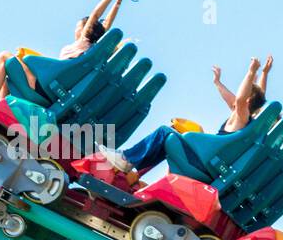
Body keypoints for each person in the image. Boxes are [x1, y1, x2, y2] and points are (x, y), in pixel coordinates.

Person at [98, 56, 272, 175]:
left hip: (201, 162)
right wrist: (262, 74)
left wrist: (251, 72)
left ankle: (127, 159)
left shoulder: (241, 115)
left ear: (247, 101)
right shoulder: (245, 121)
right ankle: (133, 168)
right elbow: (253, 98)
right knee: (171, 138)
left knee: (165, 132)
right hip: (207, 161)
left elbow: (241, 99)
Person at [0, 0, 131, 103]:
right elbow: (105, 26)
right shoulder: (91, 52)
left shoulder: (82, 43)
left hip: (41, 89)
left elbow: (95, 16)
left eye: (77, 27)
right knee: (11, 73)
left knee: (4, 57)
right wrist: (118, 2)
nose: (75, 30)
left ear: (86, 28)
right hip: (53, 96)